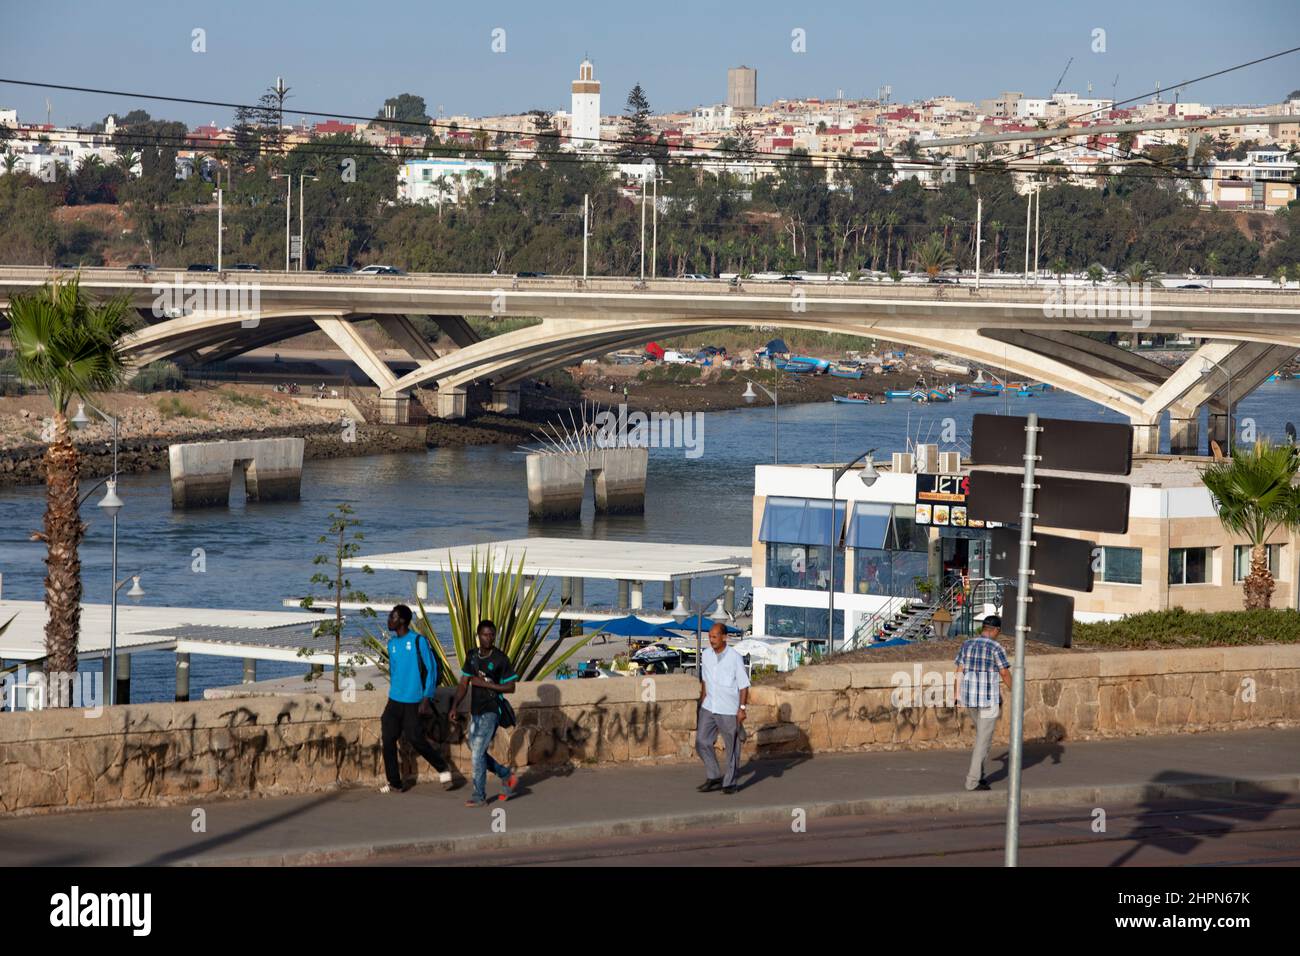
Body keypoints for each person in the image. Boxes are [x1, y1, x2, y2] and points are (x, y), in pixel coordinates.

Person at [380, 604, 452, 793]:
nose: (389, 620)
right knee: (388, 739)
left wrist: (426, 697)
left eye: (392, 617)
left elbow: (431, 670)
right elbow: (394, 671)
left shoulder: (418, 641)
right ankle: (395, 782)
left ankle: (443, 768)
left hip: (414, 701)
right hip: (394, 700)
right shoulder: (391, 644)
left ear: (402, 620)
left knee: (415, 738)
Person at [451, 619, 520, 807]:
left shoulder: (500, 659)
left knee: (477, 753)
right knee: (476, 750)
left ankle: (479, 795)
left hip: (492, 710)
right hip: (476, 710)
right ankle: (507, 776)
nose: (488, 638)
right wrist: (455, 705)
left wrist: (486, 684)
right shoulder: (472, 656)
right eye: (485, 635)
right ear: (478, 636)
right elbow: (464, 683)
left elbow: (511, 687)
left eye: (491, 635)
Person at [954, 615, 1012, 792]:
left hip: (970, 699)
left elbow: (959, 671)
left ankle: (980, 776)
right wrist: (1016, 690)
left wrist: (956, 696)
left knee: (983, 737)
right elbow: (1004, 673)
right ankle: (972, 781)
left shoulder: (967, 644)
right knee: (983, 740)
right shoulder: (996, 647)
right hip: (987, 700)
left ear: (983, 627)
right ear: (996, 630)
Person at [695, 622, 750, 794]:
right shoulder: (706, 655)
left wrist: (741, 708)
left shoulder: (735, 657)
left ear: (724, 637)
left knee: (732, 747)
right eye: (710, 636)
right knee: (701, 741)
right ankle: (714, 777)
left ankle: (730, 782)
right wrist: (701, 702)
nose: (711, 640)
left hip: (728, 708)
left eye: (714, 636)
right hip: (709, 705)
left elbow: (743, 685)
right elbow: (705, 681)